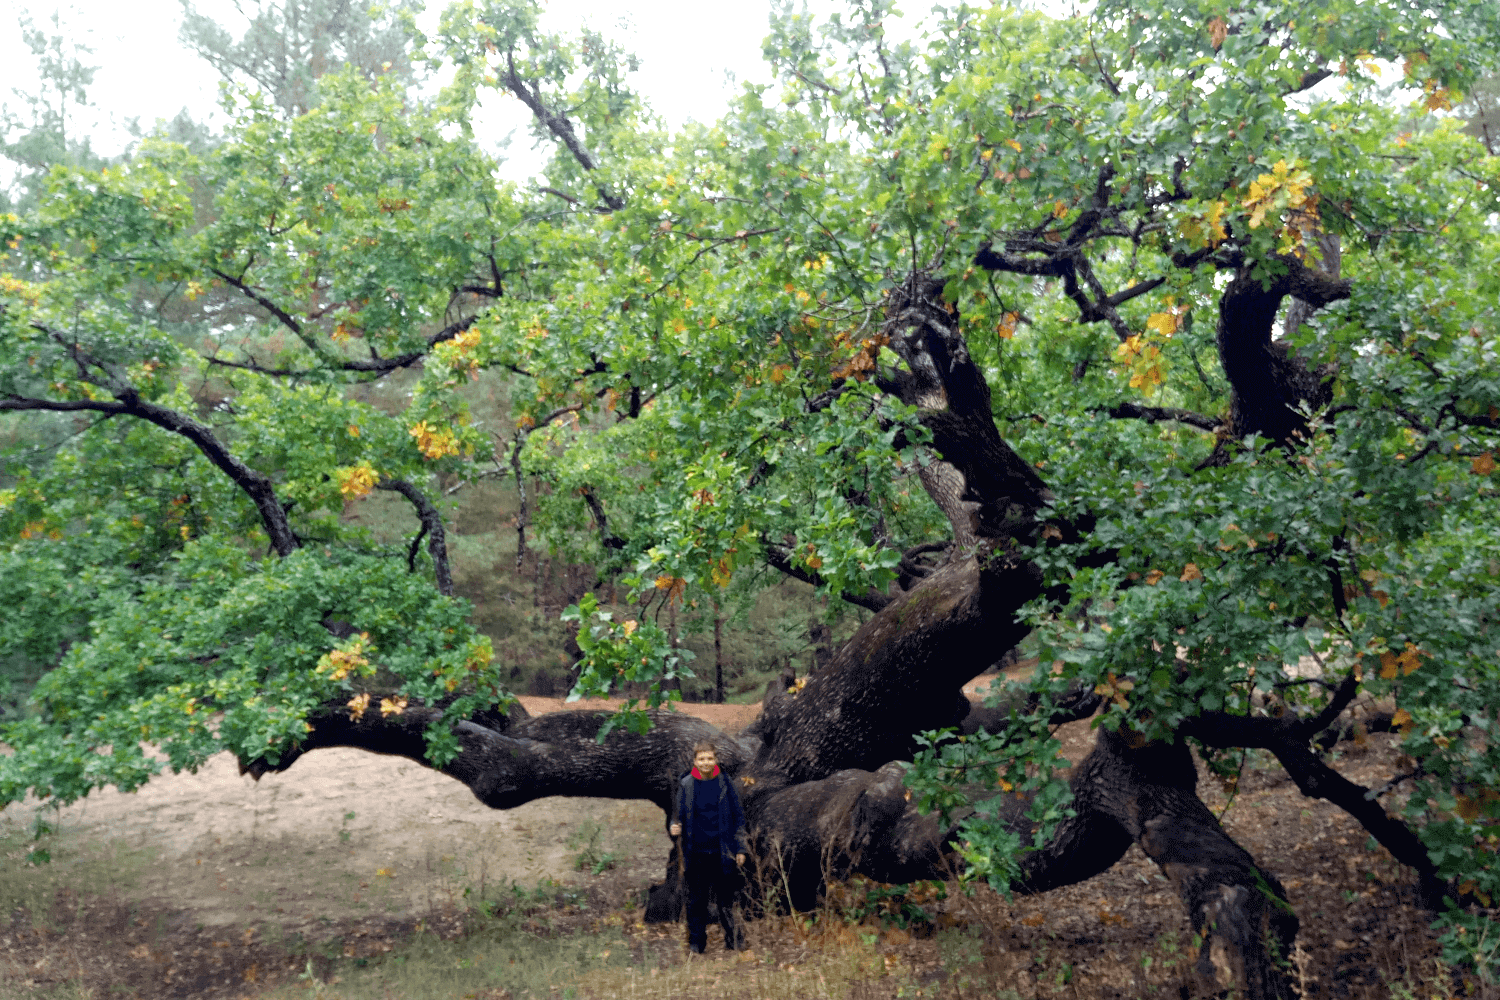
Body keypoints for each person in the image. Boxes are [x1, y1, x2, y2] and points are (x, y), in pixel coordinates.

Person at [668, 741, 747, 953]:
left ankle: (734, 940)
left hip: (723, 851)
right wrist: (673, 827)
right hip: (696, 852)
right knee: (697, 900)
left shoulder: (725, 783)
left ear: (716, 760)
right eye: (701, 759)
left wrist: (740, 848)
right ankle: (696, 943)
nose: (706, 763)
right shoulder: (686, 784)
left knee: (726, 899)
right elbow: (677, 818)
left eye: (710, 758)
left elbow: (739, 817)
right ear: (694, 761)